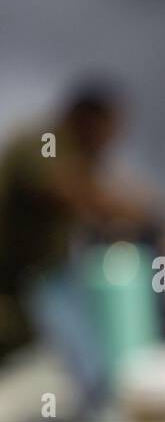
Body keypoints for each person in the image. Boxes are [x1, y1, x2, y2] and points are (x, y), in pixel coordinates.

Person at [0, 84, 152, 358]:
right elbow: (68, 189)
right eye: (107, 131)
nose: (110, 141)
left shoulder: (78, 157)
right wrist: (147, 214)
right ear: (86, 121)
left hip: (38, 290)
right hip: (11, 293)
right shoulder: (44, 141)